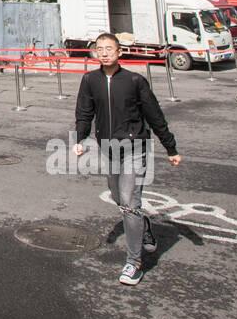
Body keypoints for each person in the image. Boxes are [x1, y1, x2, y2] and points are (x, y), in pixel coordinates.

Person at [74, 33, 181, 286]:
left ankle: (134, 263)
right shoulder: (90, 80)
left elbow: (155, 115)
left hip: (135, 148)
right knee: (118, 197)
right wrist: (80, 139)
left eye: (109, 48)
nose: (104, 53)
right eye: (99, 49)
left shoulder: (134, 81)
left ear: (119, 52)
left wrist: (171, 147)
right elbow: (84, 112)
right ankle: (144, 225)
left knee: (130, 202)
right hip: (109, 148)